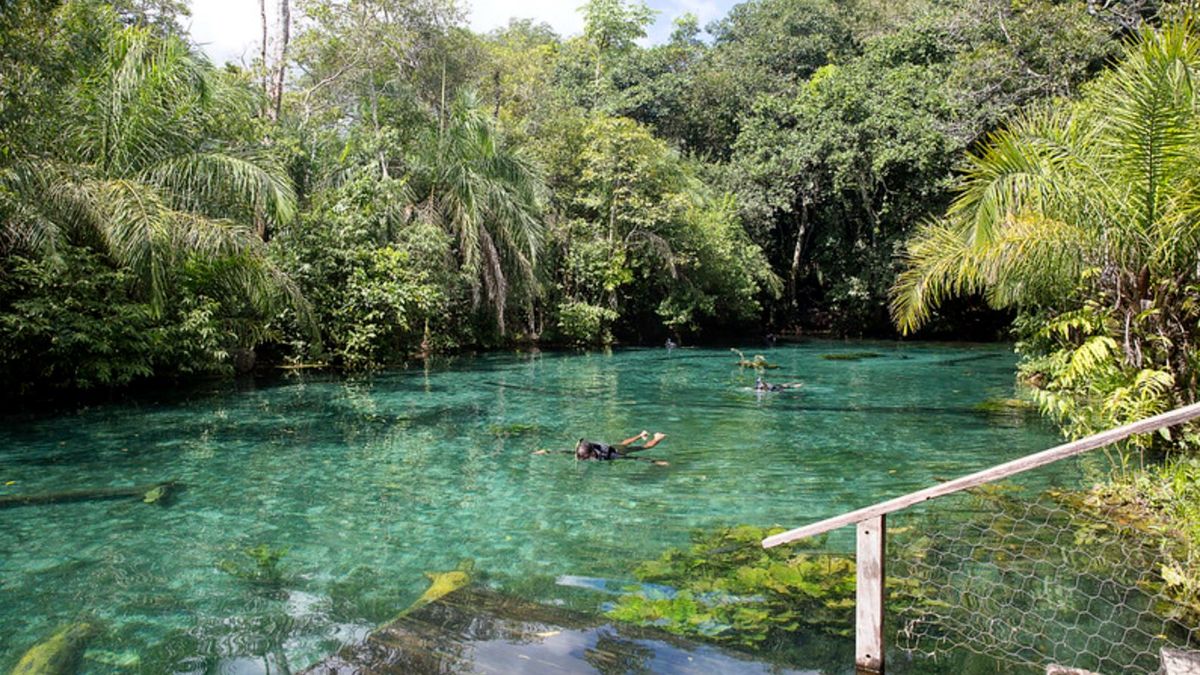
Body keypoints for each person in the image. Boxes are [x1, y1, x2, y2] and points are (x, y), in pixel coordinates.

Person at [533, 431, 669, 464]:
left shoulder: (611, 456)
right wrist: (546, 451)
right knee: (623, 442)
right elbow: (567, 452)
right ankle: (641, 434)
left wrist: (655, 462)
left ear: (588, 454)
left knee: (645, 447)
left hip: (618, 451)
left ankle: (657, 437)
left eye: (582, 457)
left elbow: (635, 458)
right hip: (614, 446)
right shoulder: (588, 449)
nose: (580, 457)